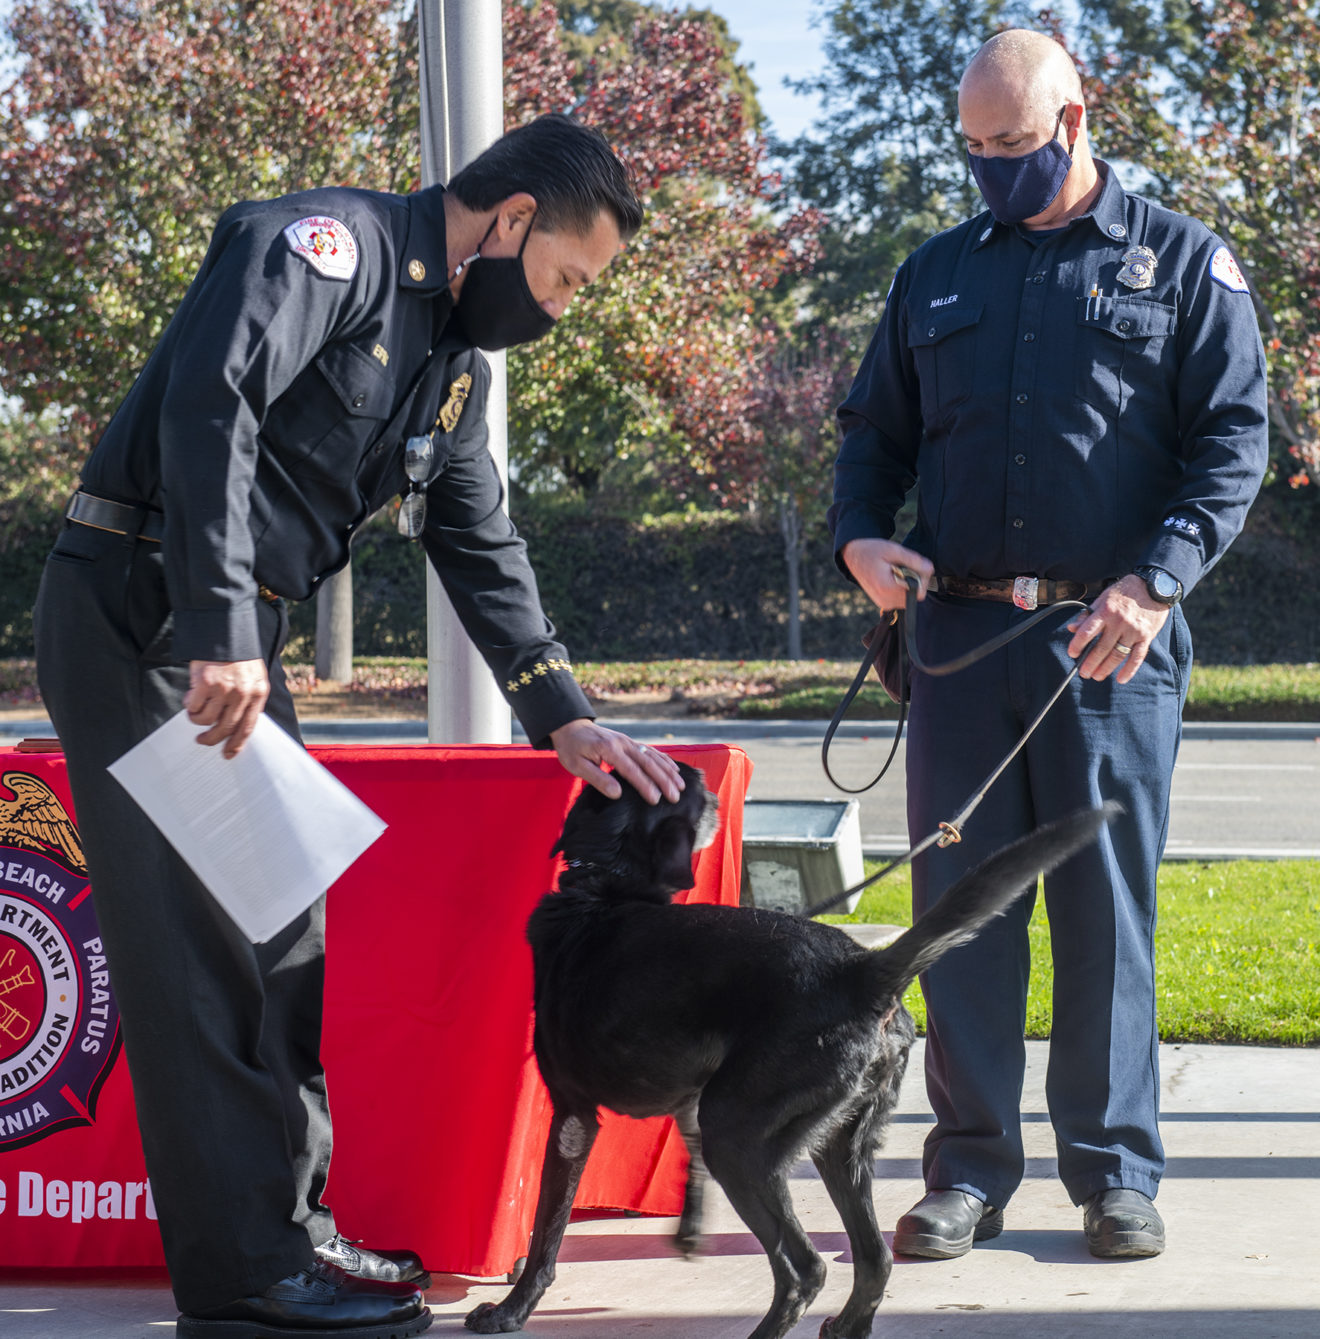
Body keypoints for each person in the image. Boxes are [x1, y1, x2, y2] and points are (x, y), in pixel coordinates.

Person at [33, 114, 683, 1337]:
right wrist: (222, 622)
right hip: (145, 613)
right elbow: (207, 406)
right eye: (564, 280)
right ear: (512, 221)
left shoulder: (450, 364)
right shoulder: (328, 251)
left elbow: (479, 537)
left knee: (281, 935)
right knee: (203, 957)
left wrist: (565, 716)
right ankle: (242, 1286)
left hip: (223, 641)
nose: (562, 309)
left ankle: (291, 1235)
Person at [829, 30, 1267, 1261]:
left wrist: (1159, 582)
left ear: (1078, 120)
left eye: (1012, 145)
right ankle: (966, 1172)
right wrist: (862, 538)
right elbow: (874, 438)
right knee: (959, 912)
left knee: (1104, 914)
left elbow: (1232, 443)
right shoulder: (934, 274)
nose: (990, 169)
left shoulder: (1180, 263)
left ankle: (1114, 1173)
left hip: (1109, 641)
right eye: (972, 149)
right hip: (964, 638)